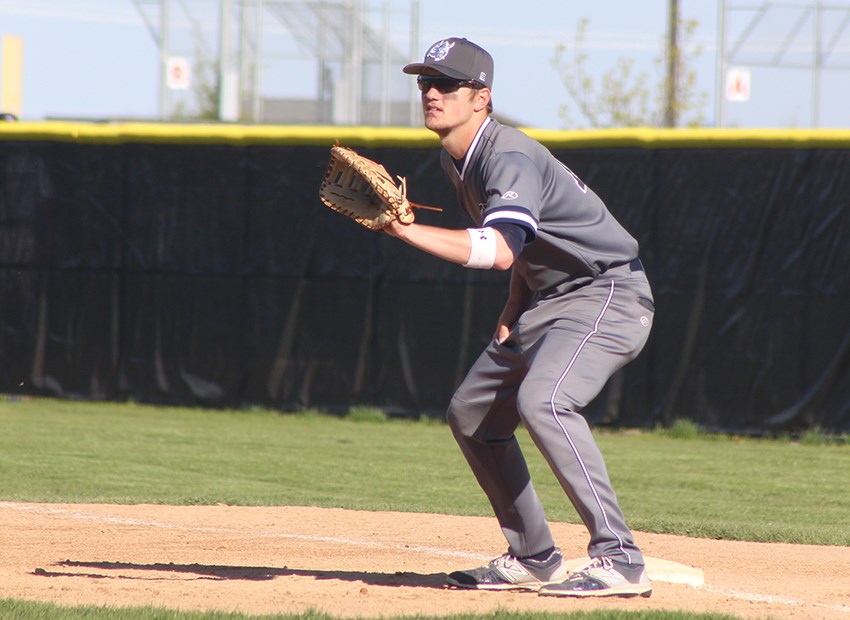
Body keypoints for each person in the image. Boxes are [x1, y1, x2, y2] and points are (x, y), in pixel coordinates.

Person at [384, 37, 655, 598]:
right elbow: (527, 247)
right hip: (548, 301)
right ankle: (533, 554)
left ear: (481, 97)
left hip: (606, 291)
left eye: (446, 84)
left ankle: (620, 558)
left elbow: (500, 248)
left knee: (545, 401)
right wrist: (513, 308)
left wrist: (405, 230)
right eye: (424, 83)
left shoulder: (508, 155)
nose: (431, 93)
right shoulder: (457, 158)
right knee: (473, 413)